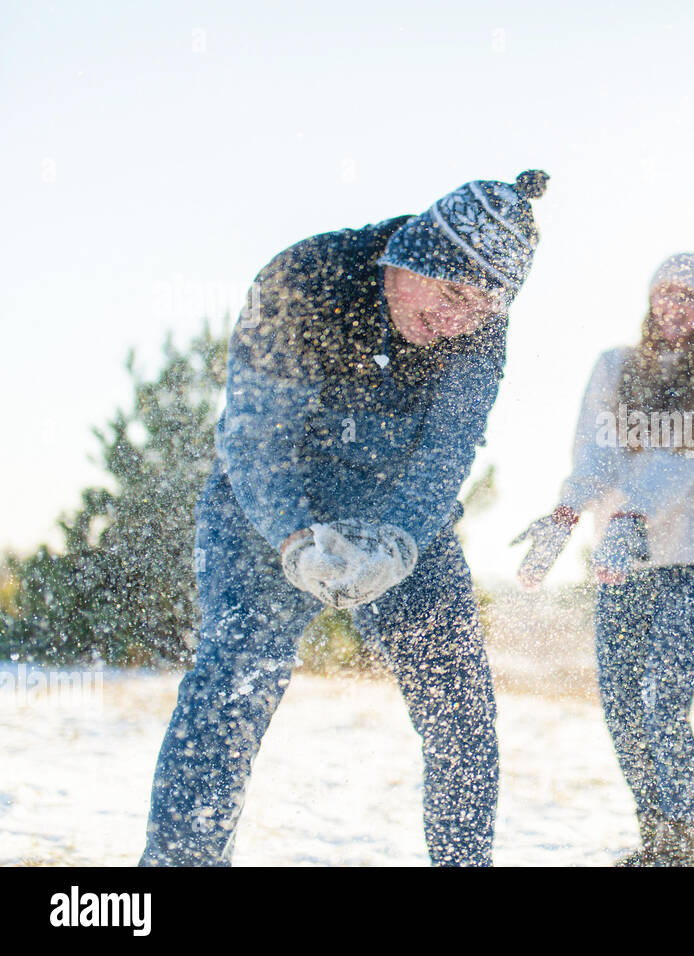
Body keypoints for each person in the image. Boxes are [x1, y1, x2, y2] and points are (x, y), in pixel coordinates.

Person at [140, 170, 549, 866]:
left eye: (478, 310)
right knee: (234, 682)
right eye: (451, 294)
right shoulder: (308, 276)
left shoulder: (477, 335)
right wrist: (296, 538)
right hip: (267, 508)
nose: (455, 324)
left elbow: (447, 452)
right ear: (414, 255)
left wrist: (398, 541)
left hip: (395, 514)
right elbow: (254, 435)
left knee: (461, 708)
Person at [512, 252, 694, 866]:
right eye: (668, 292)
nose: (676, 306)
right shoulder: (614, 366)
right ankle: (654, 837)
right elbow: (594, 454)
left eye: (691, 298)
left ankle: (676, 852)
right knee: (621, 703)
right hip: (621, 570)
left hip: (693, 568)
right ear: (650, 297)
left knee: (662, 702)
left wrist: (630, 514)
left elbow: (682, 459)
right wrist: (566, 513)